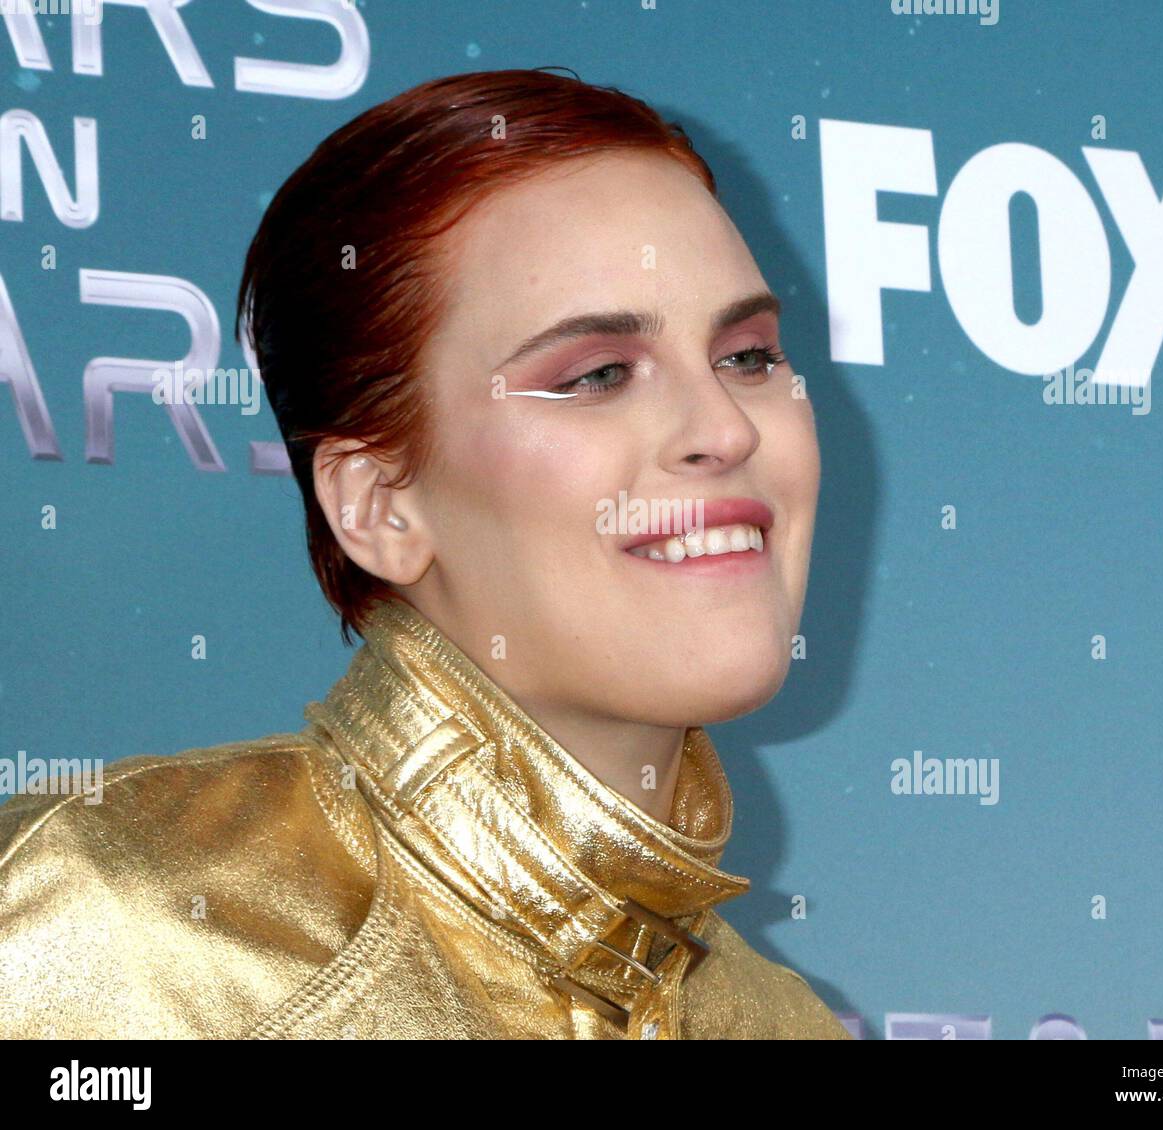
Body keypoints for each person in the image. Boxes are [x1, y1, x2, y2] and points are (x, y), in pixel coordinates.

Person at [0, 68, 849, 1040]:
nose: (723, 428)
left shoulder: (780, 1022)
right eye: (597, 373)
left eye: (746, 356)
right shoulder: (113, 922)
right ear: (378, 503)